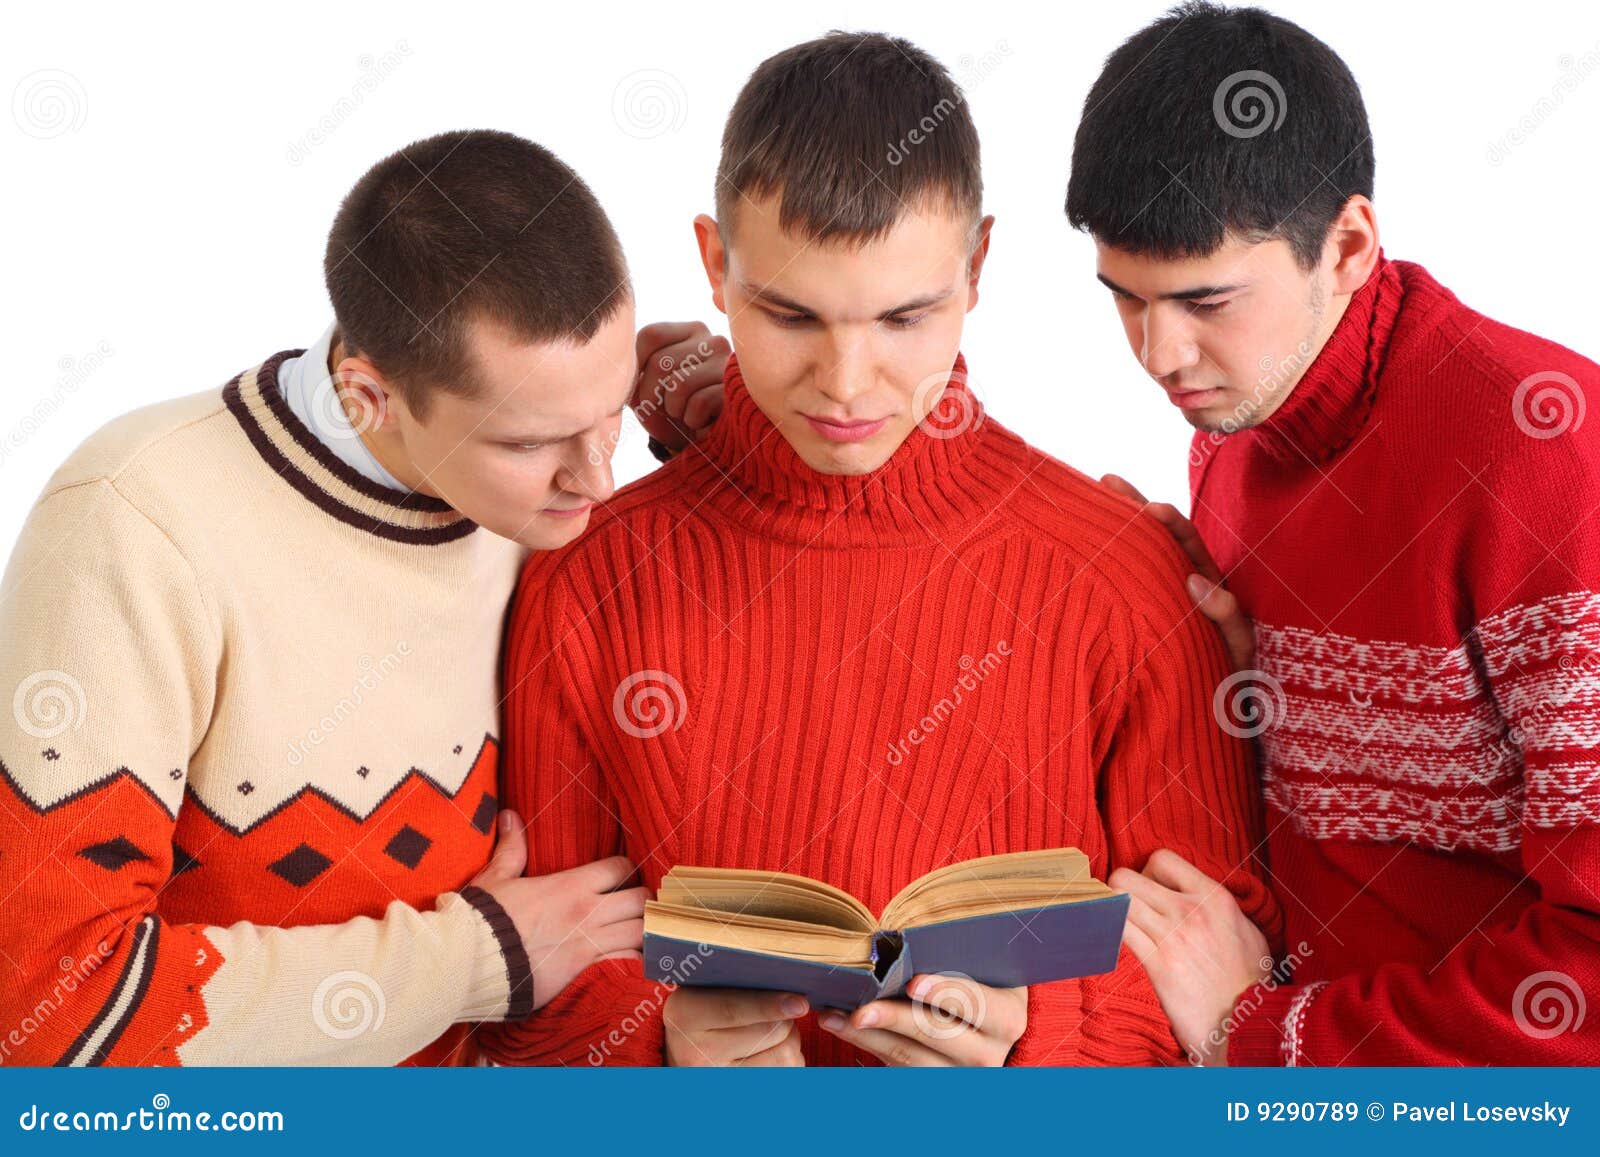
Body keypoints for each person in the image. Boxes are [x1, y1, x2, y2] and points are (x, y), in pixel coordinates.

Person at [481, 32, 1279, 1068]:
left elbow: (1220, 975)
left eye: (904, 316)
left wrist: (1036, 1039)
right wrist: (659, 1040)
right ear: (715, 266)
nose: (847, 382)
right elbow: (532, 989)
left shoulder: (1121, 574)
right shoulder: (587, 577)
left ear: (977, 267)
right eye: (790, 314)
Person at [0, 129, 726, 1065]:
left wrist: (731, 433)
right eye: (529, 442)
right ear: (367, 394)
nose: (594, 479)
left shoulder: (540, 501)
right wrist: (471, 959)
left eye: (610, 408)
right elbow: (51, 1013)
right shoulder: (134, 525)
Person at [1068, 2, 1600, 1064]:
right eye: (1123, 299)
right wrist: (1223, 683)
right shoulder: (1232, 433)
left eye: (1205, 299)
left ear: (1349, 244)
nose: (1159, 353)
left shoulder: (1551, 461)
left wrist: (1259, 1032)